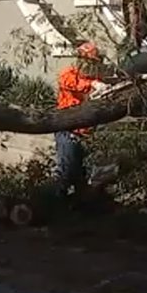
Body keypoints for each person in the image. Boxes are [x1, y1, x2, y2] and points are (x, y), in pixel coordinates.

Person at [55, 41, 107, 198]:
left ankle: (79, 207)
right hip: (67, 128)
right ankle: (55, 203)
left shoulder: (95, 78)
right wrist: (93, 85)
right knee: (66, 169)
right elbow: (74, 84)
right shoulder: (68, 74)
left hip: (86, 132)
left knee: (81, 174)